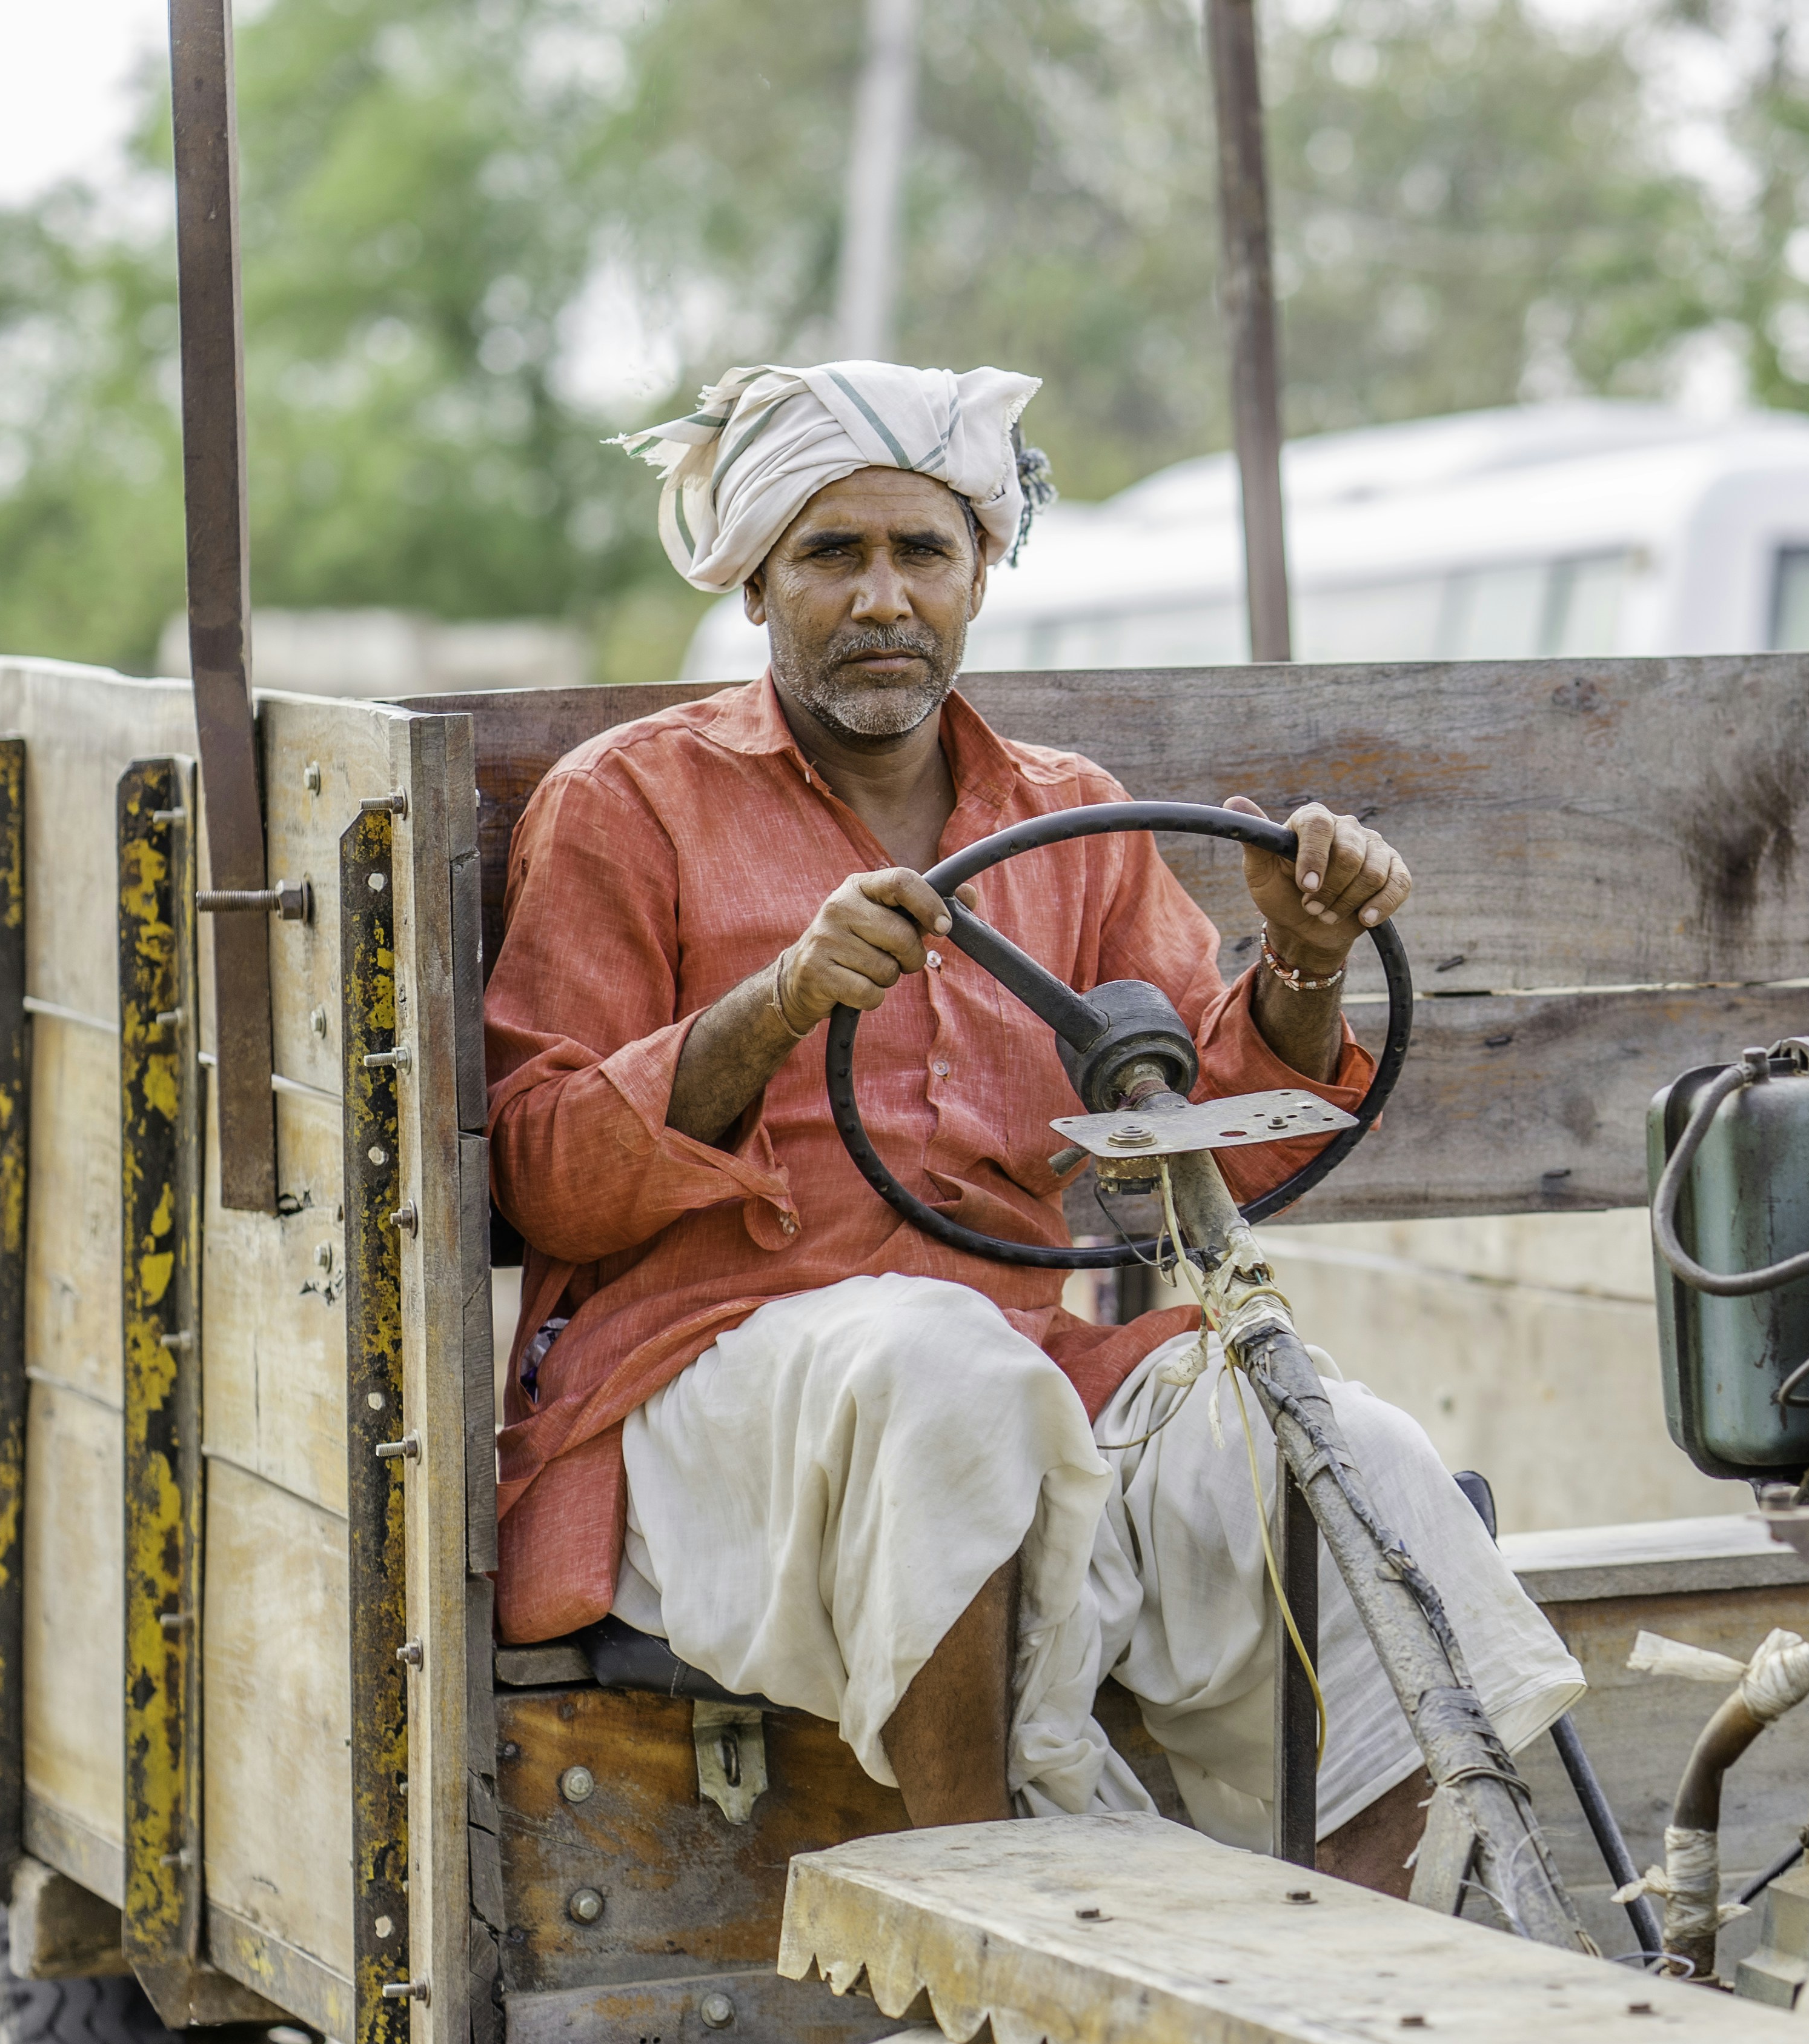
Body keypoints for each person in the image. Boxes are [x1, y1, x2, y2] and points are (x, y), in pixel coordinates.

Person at [484, 360, 1580, 1890]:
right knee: (949, 1374)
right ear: (753, 587)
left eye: (920, 555)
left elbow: (1219, 1159)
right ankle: (991, 1936)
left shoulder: (1067, 818)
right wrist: (782, 1000)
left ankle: (1379, 1973)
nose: (881, 599)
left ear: (979, 576)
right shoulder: (632, 805)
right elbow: (545, 1179)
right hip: (707, 1391)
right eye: (831, 556)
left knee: (1333, 1445)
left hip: (1016, 1369)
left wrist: (1308, 963)